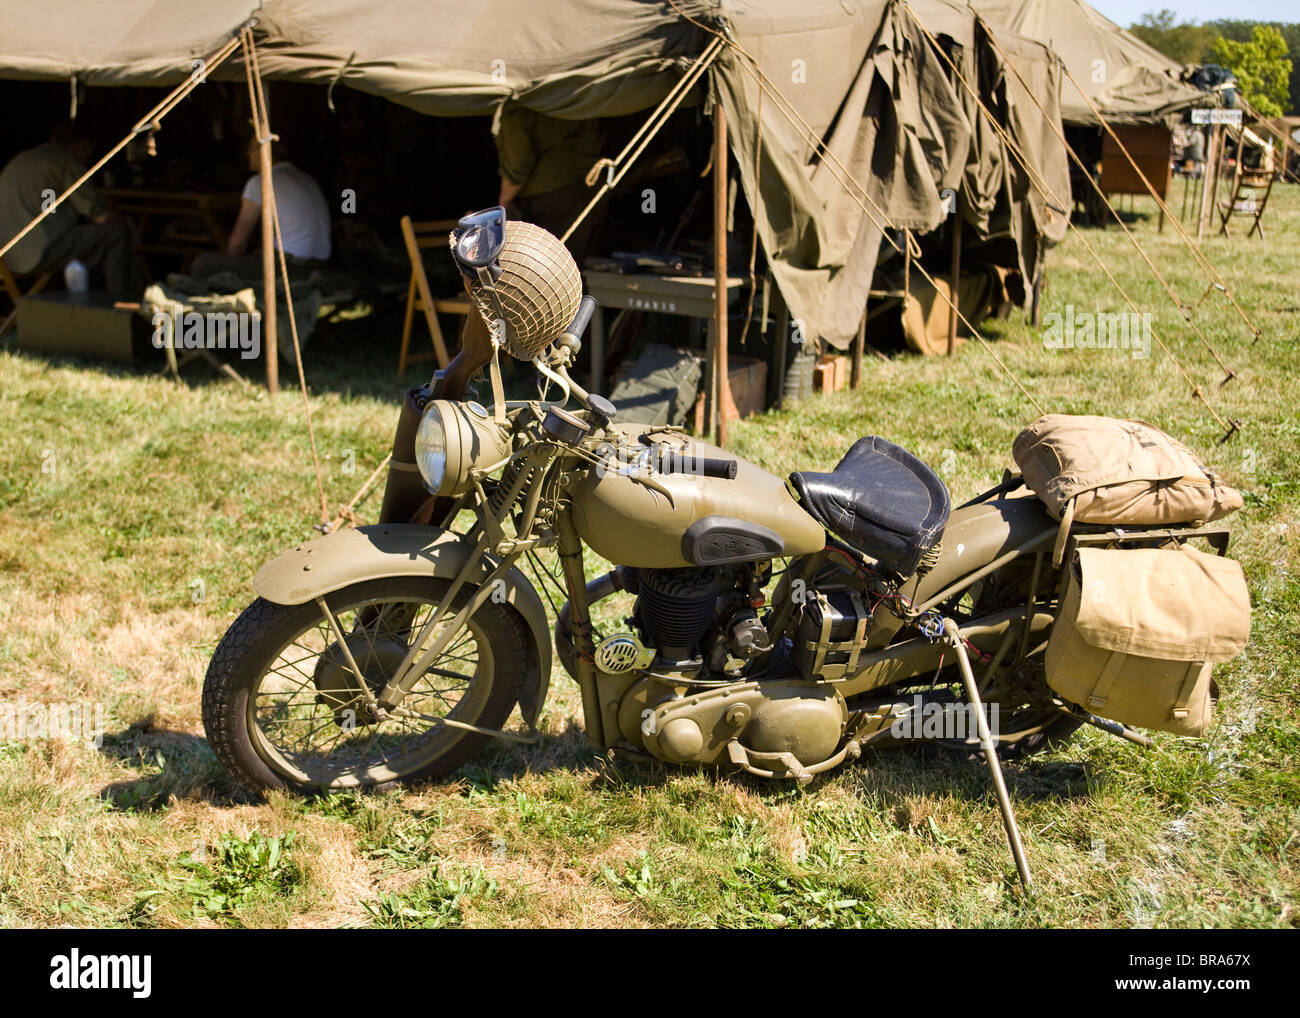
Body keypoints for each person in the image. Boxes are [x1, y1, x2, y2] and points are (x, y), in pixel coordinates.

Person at [0, 123, 139, 294]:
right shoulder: (66, 162)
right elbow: (99, 216)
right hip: (34, 255)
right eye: (87, 153)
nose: (86, 161)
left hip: (5, 259)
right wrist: (126, 221)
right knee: (117, 232)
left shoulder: (22, 159)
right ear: (79, 147)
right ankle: (118, 303)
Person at [192, 134, 331, 278]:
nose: (248, 154)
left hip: (289, 267)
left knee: (202, 264)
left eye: (252, 149)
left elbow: (237, 245)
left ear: (266, 151)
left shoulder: (260, 182)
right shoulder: (307, 179)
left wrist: (230, 263)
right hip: (320, 266)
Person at [494, 105, 605, 264]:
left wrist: (503, 206)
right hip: (589, 182)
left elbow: (517, 166)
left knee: (547, 267)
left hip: (552, 196)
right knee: (578, 262)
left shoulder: (518, 107)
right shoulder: (572, 89)